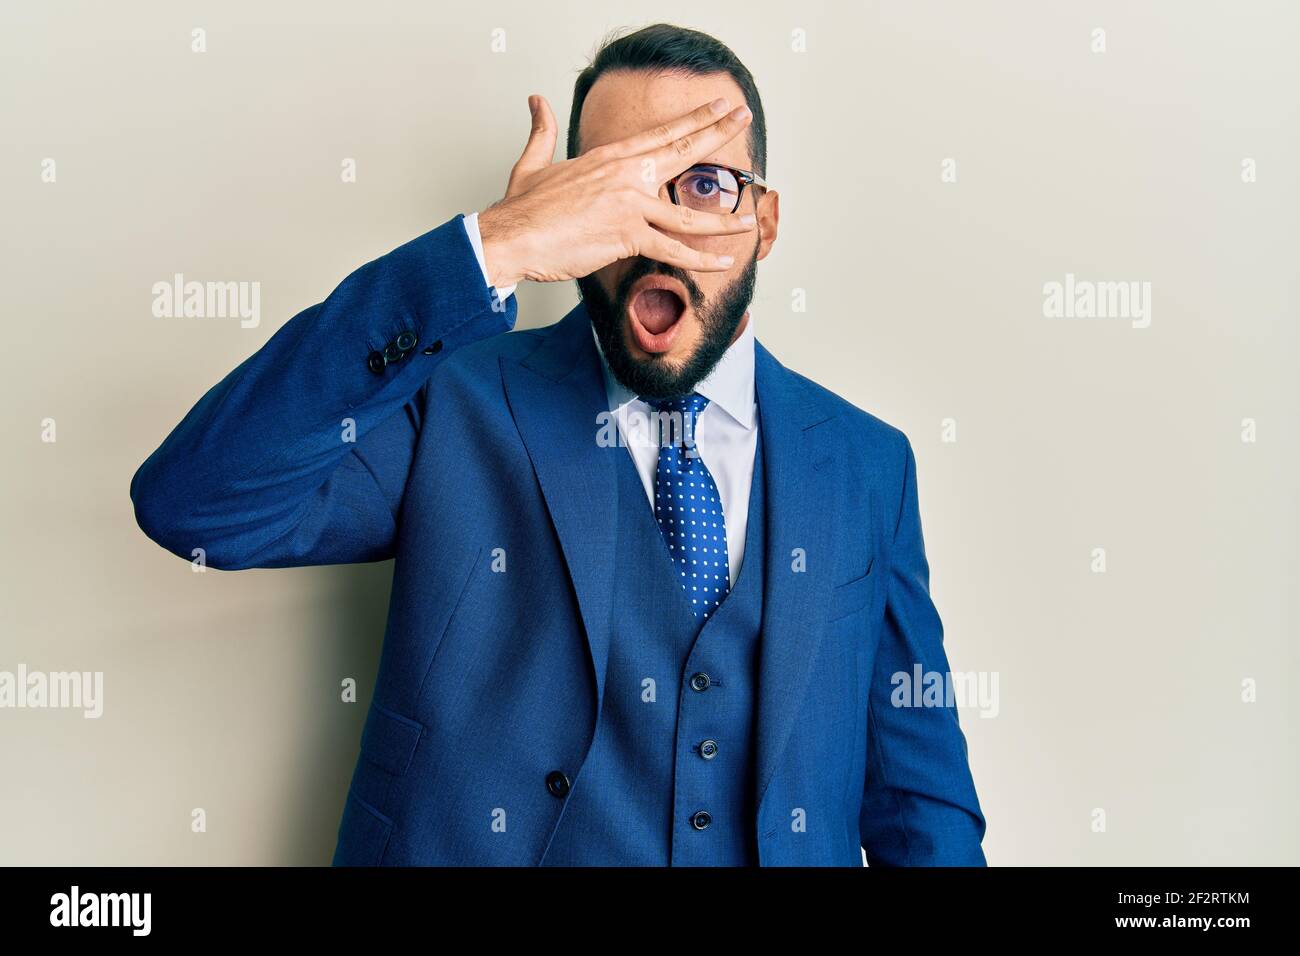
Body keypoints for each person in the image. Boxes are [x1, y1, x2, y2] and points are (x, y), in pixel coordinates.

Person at [131, 23, 987, 866]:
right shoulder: (456, 403)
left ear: (764, 221)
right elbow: (197, 504)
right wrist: (494, 246)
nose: (657, 229)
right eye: (620, 187)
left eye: (703, 185)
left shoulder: (870, 468)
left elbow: (922, 808)